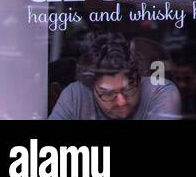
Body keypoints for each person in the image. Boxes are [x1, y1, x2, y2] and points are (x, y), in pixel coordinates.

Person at [49, 32, 181, 120]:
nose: (121, 102)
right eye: (108, 94)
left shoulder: (158, 91)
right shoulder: (74, 95)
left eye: (128, 89)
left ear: (139, 78)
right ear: (90, 87)